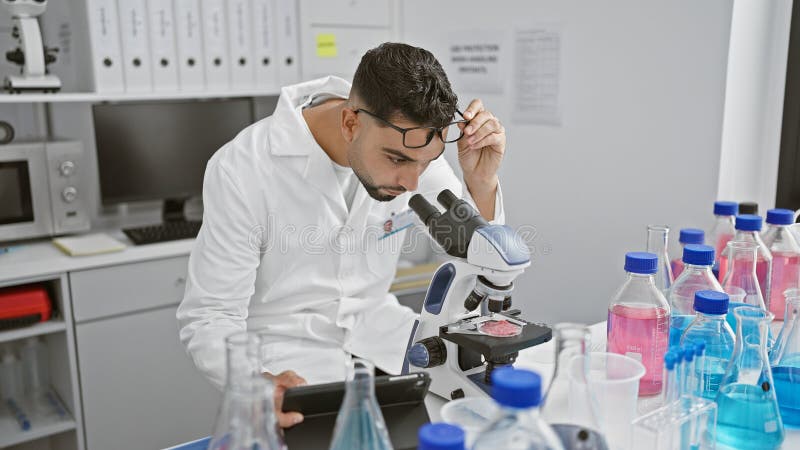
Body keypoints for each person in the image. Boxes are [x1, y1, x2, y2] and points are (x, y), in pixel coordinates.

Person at [176, 42, 508, 427]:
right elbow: (210, 316)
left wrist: (481, 182)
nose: (413, 181)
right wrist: (255, 384)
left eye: (427, 163)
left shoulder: (410, 146)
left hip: (389, 353)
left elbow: (476, 255)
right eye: (397, 160)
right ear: (351, 122)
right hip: (290, 372)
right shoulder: (244, 168)